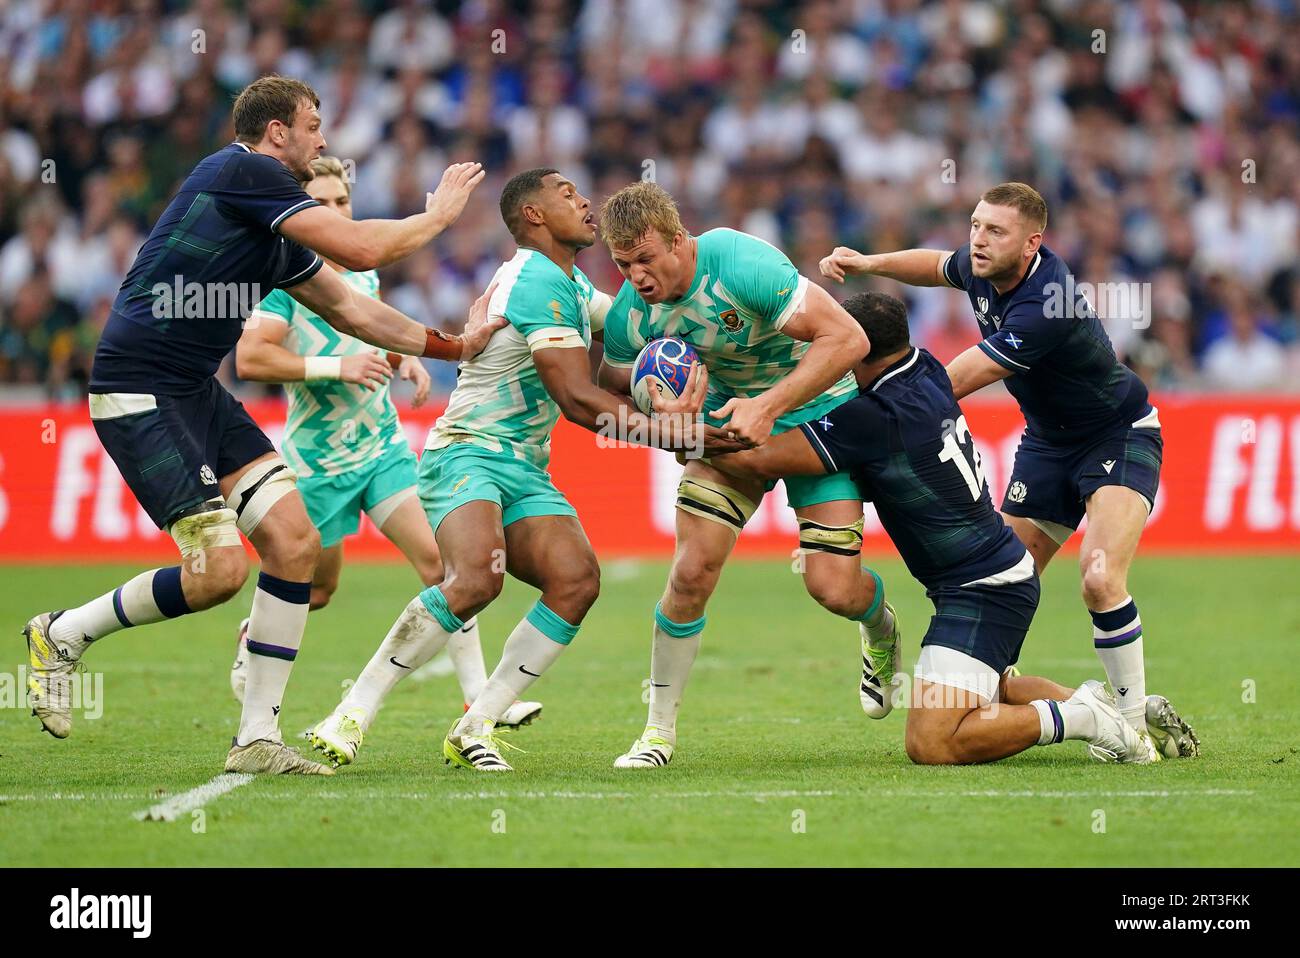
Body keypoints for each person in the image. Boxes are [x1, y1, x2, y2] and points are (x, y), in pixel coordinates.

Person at [23, 75, 500, 775]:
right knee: (218, 572)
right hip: (139, 388)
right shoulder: (240, 169)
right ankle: (61, 633)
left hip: (194, 389)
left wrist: (451, 346)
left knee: (295, 543)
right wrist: (438, 217)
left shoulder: (273, 235)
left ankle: (255, 740)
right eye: (313, 124)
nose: (324, 138)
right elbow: (364, 249)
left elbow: (356, 311)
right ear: (276, 132)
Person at [711, 292, 1173, 764]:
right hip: (989, 574)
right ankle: (1100, 703)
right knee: (990, 691)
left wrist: (669, 430)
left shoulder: (877, 417)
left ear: (857, 348)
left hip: (985, 589)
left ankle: (1084, 719)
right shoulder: (925, 368)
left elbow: (761, 456)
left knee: (932, 741)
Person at [819, 182, 1199, 757]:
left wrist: (887, 407)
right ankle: (1101, 708)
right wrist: (872, 262)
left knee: (1099, 579)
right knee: (1004, 577)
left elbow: (960, 378)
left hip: (1115, 434)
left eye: (994, 231)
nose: (978, 239)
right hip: (1047, 445)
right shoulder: (985, 265)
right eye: (975, 225)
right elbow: (934, 266)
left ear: (1032, 244)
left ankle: (1131, 729)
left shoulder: (1047, 299)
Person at [229, 156, 539, 759]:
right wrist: (335, 367)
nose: (339, 215)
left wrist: (407, 359)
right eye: (324, 206)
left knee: (443, 564)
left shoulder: (364, 280)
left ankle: (477, 702)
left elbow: (370, 331)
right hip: (317, 464)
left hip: (382, 452)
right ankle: (252, 635)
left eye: (344, 203)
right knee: (315, 591)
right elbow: (251, 361)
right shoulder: (284, 285)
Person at [595, 182, 897, 770]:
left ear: (679, 240)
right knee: (689, 574)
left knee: (833, 589)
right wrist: (659, 402)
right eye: (624, 264)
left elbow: (848, 338)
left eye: (646, 258)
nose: (637, 276)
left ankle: (881, 628)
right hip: (726, 432)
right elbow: (610, 374)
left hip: (815, 418)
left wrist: (769, 405)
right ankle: (657, 733)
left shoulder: (742, 262)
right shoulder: (635, 313)